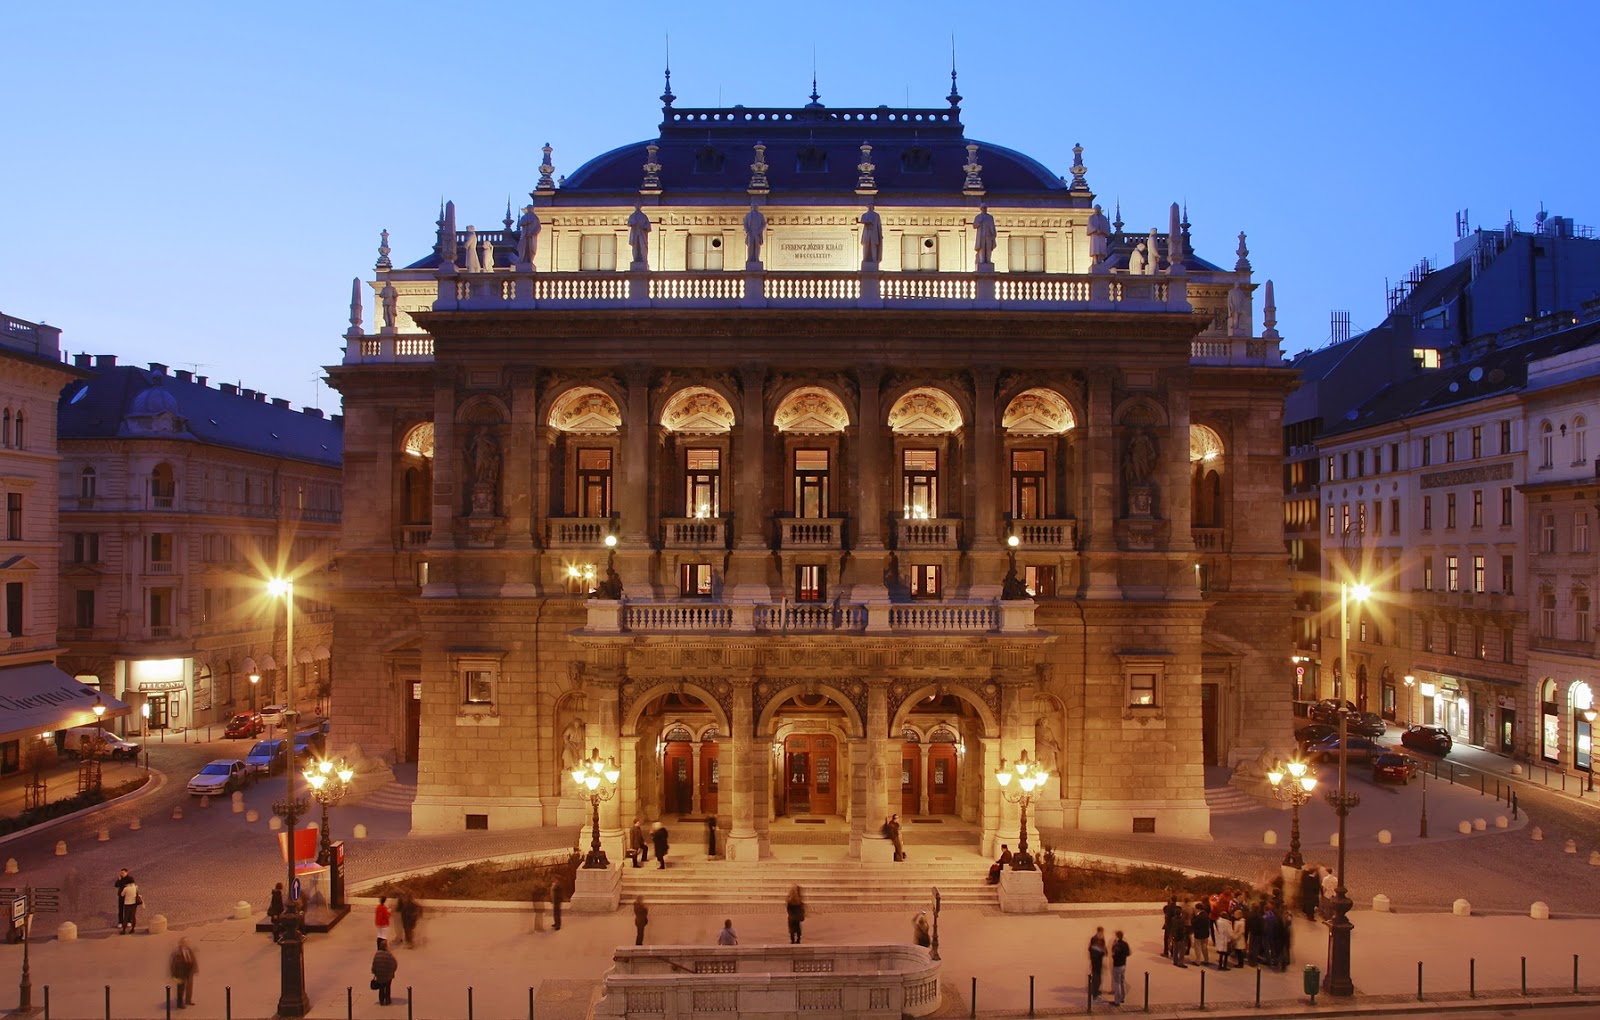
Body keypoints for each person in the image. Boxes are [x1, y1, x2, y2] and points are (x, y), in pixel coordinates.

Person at [169, 937, 198, 1007]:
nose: (186, 944)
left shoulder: (189, 950)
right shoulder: (177, 952)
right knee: (181, 988)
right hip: (181, 973)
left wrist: (195, 969)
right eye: (184, 942)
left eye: (187, 942)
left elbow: (193, 959)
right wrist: (174, 975)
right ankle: (180, 1003)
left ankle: (188, 1000)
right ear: (180, 943)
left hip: (189, 971)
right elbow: (173, 964)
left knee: (189, 987)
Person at [371, 938, 398, 1006]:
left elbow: (374, 964)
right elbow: (394, 964)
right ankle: (388, 1000)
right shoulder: (389, 955)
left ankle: (381, 1001)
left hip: (380, 975)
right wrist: (392, 971)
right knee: (388, 987)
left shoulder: (377, 954)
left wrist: (374, 972)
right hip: (388, 975)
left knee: (381, 988)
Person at [1189, 901, 1213, 967]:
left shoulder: (1199, 916)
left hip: (1198, 934)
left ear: (1198, 909)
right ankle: (1206, 960)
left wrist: (1193, 917)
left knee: (1198, 948)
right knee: (1204, 948)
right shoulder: (1206, 915)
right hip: (1205, 934)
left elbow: (1193, 922)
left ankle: (1198, 961)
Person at [1110, 929, 1131, 1005]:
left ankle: (1117, 1000)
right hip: (1123, 964)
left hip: (1117, 965)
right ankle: (1123, 997)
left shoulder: (1117, 945)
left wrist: (1114, 946)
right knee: (1122, 981)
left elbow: (1114, 954)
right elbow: (1128, 953)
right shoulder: (1125, 944)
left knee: (1117, 983)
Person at [1087, 926, 1107, 999]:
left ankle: (1095, 990)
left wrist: (1104, 951)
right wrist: (1101, 952)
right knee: (1096, 978)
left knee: (1098, 978)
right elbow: (1091, 950)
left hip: (1099, 962)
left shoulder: (1101, 939)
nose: (1102, 934)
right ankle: (1095, 993)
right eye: (1101, 932)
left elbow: (1104, 949)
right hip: (1095, 962)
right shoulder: (1094, 939)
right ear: (1099, 932)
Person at [113, 868, 135, 934]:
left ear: (126, 872)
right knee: (120, 909)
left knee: (128, 909)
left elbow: (132, 885)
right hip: (121, 896)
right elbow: (116, 885)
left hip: (128, 896)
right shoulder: (121, 879)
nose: (121, 874)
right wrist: (119, 879)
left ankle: (129, 921)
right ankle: (120, 922)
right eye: (121, 873)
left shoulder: (130, 878)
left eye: (123, 872)